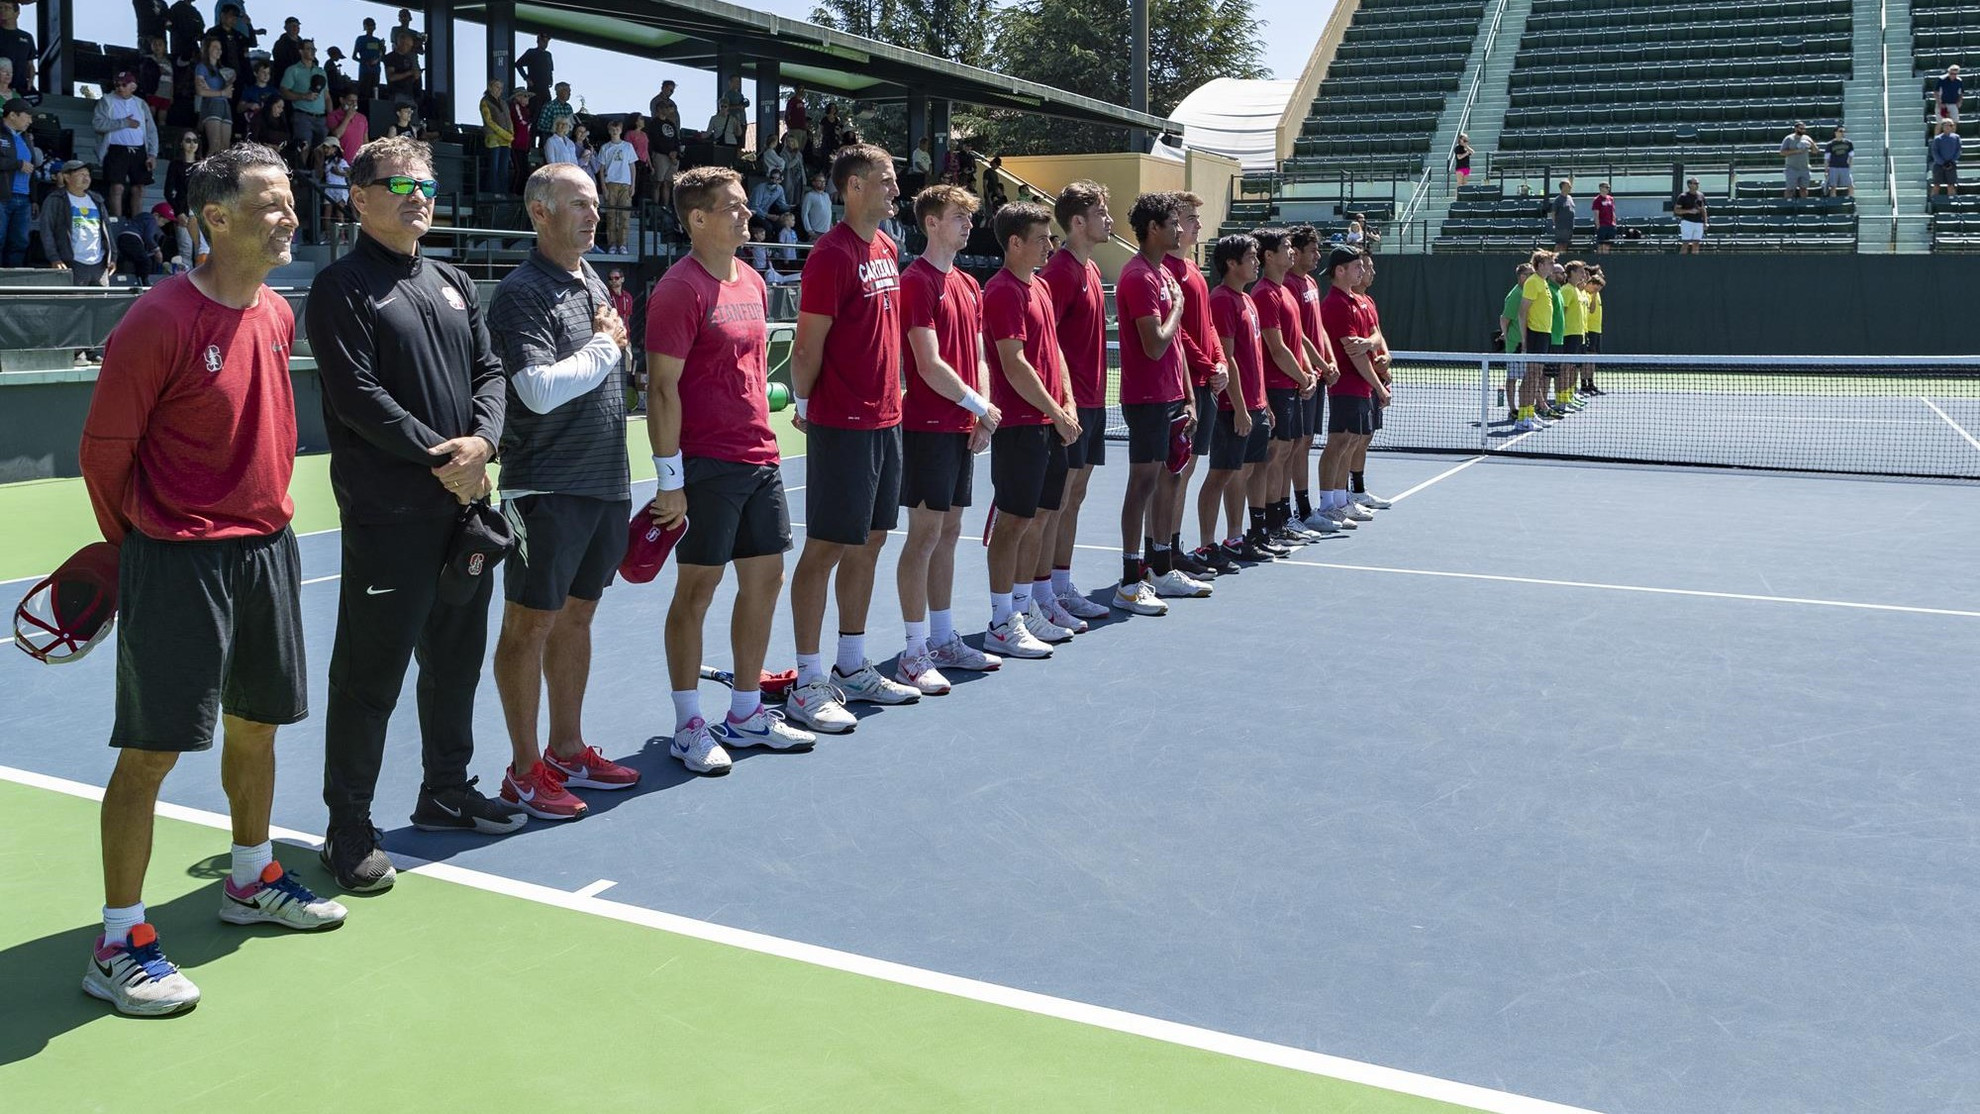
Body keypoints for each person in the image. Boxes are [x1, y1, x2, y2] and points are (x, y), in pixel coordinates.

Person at [78, 143, 346, 1017]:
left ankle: (249, 877)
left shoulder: (275, 313)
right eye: (271, 205)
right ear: (215, 218)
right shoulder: (157, 320)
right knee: (152, 751)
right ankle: (119, 941)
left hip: (267, 546)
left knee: (259, 725)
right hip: (178, 557)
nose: (290, 218)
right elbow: (104, 453)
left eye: (290, 202)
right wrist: (135, 548)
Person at [307, 137, 525, 888]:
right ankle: (349, 827)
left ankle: (445, 790)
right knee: (371, 678)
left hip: (464, 514)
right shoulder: (341, 288)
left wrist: (485, 442)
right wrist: (448, 457)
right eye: (398, 182)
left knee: (456, 661)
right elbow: (358, 398)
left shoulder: (454, 279)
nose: (416, 194)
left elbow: (491, 371)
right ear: (359, 197)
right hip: (390, 516)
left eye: (426, 183)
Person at [639, 165, 816, 773]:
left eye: (745, 205)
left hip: (759, 456)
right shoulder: (677, 290)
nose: (748, 215)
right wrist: (670, 480)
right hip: (705, 464)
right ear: (697, 218)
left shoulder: (754, 283)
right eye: (734, 207)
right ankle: (689, 723)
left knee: (765, 580)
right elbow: (661, 390)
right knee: (697, 590)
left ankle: (744, 712)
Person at [488, 163, 641, 820]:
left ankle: (568, 749)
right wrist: (609, 350)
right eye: (578, 204)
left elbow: (609, 378)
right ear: (539, 212)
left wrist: (615, 350)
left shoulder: (591, 288)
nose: (592, 214)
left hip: (605, 485)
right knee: (530, 625)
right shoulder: (522, 294)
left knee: (577, 618)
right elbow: (536, 391)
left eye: (595, 204)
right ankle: (523, 773)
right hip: (543, 489)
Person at [785, 143, 921, 734]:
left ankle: (851, 664)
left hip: (888, 422)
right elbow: (807, 345)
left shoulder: (888, 249)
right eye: (887, 180)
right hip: (842, 424)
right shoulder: (829, 255)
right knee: (825, 548)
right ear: (856, 187)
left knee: (870, 541)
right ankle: (808, 680)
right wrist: (810, 405)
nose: (897, 188)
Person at [890, 182, 1006, 686]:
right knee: (924, 536)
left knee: (951, 532)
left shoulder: (968, 284)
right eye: (958, 217)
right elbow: (928, 363)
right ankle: (914, 651)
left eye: (968, 217)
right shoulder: (914, 282)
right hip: (927, 429)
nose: (968, 225)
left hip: (962, 426)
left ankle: (942, 638)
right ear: (931, 223)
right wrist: (979, 405)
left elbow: (978, 354)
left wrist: (979, 414)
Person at [980, 200, 1080, 659]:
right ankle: (1002, 620)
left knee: (1039, 518)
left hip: (1049, 421)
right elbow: (1013, 363)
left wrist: (1068, 404)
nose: (1049, 247)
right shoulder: (1001, 291)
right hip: (1019, 426)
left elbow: (1054, 350)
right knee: (1014, 523)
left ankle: (1022, 609)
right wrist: (1056, 413)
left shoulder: (1039, 287)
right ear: (1015, 242)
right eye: (1041, 239)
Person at [1111, 192, 1204, 613]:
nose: (1181, 230)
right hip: (1146, 398)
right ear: (1154, 229)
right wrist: (1178, 310)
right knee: (1143, 485)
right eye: (1173, 224)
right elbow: (1154, 345)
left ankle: (1161, 569)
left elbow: (1177, 348)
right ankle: (1130, 581)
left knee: (1171, 478)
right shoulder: (1138, 277)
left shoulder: (1163, 275)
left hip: (1171, 397)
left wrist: (1187, 395)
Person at [1036, 180, 1119, 622]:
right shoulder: (1059, 273)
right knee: (1056, 500)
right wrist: (1060, 403)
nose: (1110, 219)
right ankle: (1042, 594)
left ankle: (1062, 587)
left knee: (1075, 496)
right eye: (1102, 212)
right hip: (1066, 406)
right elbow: (1042, 345)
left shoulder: (1089, 270)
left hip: (1092, 403)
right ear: (1078, 222)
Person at [1162, 190, 1234, 573]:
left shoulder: (1194, 272)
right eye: (1189, 218)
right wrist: (1209, 365)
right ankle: (1164, 551)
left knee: (1187, 469)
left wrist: (1219, 362)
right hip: (1181, 387)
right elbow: (1176, 335)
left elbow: (1205, 325)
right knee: (1174, 470)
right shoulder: (1164, 271)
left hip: (1204, 384)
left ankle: (1174, 546)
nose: (1197, 225)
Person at [1200, 233, 1277, 564]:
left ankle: (1235, 537)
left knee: (1247, 471)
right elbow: (1227, 358)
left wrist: (1264, 404)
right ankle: (1207, 544)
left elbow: (1254, 358)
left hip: (1256, 404)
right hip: (1233, 408)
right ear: (1231, 263)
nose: (1257, 263)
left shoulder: (1247, 300)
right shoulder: (1221, 300)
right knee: (1221, 474)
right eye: (1251, 257)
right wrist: (1242, 409)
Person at [1248, 228, 1321, 546]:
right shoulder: (1264, 293)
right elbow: (1276, 349)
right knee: (1275, 454)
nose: (1291, 252)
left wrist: (1308, 372)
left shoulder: (1286, 292)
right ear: (1268, 256)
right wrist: (1304, 377)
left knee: (1287, 450)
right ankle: (1269, 524)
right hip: (1276, 386)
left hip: (1293, 384)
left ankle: (1282, 518)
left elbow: (1298, 340)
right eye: (1286, 247)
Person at [1315, 247, 1387, 521]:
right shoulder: (1335, 304)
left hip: (1361, 385)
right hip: (1345, 385)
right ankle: (1327, 503)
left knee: (1351, 441)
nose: (1362, 271)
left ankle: (1342, 500)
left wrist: (1371, 344)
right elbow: (1353, 353)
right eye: (1356, 267)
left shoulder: (1356, 301)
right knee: (1338, 442)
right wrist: (1379, 387)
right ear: (1340, 271)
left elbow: (1373, 337)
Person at [1283, 224, 1340, 535]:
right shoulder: (1288, 285)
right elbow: (1299, 337)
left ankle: (1303, 510)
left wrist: (1328, 362)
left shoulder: (1310, 284)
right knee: (1293, 445)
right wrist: (1316, 366)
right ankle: (1296, 510)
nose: (1318, 255)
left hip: (1315, 375)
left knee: (1304, 443)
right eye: (1313, 250)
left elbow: (1317, 330)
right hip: (1299, 378)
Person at [38, 161, 116, 286]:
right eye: (81, 174)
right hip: (73, 263)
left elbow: (107, 229)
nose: (86, 178)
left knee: (101, 302)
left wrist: (112, 257)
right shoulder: (56, 199)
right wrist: (54, 258)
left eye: (88, 174)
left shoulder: (97, 199)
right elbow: (46, 230)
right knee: (75, 302)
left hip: (100, 264)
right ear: (67, 177)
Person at [94, 73, 160, 220]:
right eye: (117, 84)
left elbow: (151, 130)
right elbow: (98, 124)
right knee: (117, 187)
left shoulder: (141, 103)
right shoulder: (106, 101)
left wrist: (152, 154)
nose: (120, 87)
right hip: (116, 149)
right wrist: (124, 123)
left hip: (139, 150)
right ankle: (117, 221)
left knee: (139, 188)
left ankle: (136, 223)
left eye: (124, 84)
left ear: (133, 87)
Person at [1497, 261, 1536, 422]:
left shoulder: (1527, 292)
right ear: (1522, 277)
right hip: (1516, 345)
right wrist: (1507, 339)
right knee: (1513, 378)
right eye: (1530, 274)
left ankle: (1528, 407)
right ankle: (1513, 408)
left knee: (1530, 376)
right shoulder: (1516, 294)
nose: (1533, 277)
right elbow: (1504, 319)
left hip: (1526, 342)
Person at [281, 39, 329, 155]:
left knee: (321, 152)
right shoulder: (293, 70)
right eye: (309, 49)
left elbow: (327, 96)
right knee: (303, 148)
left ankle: (317, 174)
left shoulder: (321, 72)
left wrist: (330, 116)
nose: (312, 51)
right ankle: (300, 172)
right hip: (302, 116)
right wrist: (303, 96)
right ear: (301, 51)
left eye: (314, 49)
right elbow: (283, 92)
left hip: (321, 118)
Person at [596, 117, 636, 254]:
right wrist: (604, 188)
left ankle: (623, 244)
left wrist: (633, 184)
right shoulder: (605, 148)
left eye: (617, 129)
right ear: (609, 131)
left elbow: (632, 166)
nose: (615, 131)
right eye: (612, 129)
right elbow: (601, 169)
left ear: (621, 130)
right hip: (610, 183)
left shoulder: (627, 146)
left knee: (624, 215)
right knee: (611, 215)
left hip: (625, 183)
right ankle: (612, 244)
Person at [194, 35, 236, 156]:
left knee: (225, 147)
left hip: (224, 105)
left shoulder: (221, 69)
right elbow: (200, 91)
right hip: (212, 104)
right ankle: (205, 173)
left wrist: (229, 83)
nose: (219, 50)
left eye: (220, 48)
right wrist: (222, 92)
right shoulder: (202, 67)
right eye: (215, 47)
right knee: (215, 144)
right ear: (207, 49)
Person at [0, 96, 30, 266]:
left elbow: (31, 166)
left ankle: (13, 280)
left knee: (20, 242)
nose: (30, 120)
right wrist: (17, 164)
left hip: (23, 197)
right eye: (27, 116)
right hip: (2, 196)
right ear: (12, 115)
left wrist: (33, 199)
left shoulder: (24, 137)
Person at [648, 79, 680, 205]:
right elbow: (656, 139)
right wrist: (667, 152)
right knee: (658, 182)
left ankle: (665, 207)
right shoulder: (654, 121)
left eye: (673, 90)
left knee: (668, 183)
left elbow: (675, 135)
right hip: (661, 153)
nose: (671, 92)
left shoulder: (673, 105)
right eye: (670, 89)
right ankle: (656, 208)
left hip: (672, 150)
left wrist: (676, 153)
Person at [479, 79, 512, 195]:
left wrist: (511, 133)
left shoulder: (503, 102)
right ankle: (493, 193)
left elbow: (509, 119)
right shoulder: (485, 102)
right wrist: (504, 133)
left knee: (504, 169)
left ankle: (503, 193)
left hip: (506, 140)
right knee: (494, 167)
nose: (499, 90)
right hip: (493, 138)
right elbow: (489, 121)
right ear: (490, 87)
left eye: (501, 88)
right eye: (497, 87)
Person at [327, 89, 368, 166]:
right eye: (350, 101)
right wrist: (348, 117)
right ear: (342, 100)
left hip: (358, 163)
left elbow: (365, 142)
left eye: (355, 101)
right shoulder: (333, 116)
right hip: (339, 162)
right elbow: (337, 135)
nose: (354, 104)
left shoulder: (362, 118)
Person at [383, 28, 422, 108]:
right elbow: (391, 77)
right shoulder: (391, 57)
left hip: (410, 93)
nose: (409, 48)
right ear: (401, 43)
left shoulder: (408, 58)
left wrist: (415, 75)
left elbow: (413, 76)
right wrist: (410, 72)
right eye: (408, 45)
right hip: (397, 94)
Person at [1581, 271, 1606, 395]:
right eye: (1596, 285)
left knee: (1593, 358)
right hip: (1588, 330)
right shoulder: (1586, 294)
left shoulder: (1596, 294)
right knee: (1587, 358)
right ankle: (1584, 384)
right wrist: (1595, 293)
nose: (1598, 288)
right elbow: (1592, 310)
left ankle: (1590, 383)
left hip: (1596, 330)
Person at [1780, 121, 1816, 199]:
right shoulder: (1789, 139)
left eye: (1804, 129)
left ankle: (1804, 206)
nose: (1803, 130)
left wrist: (1812, 144)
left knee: (1804, 189)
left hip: (1804, 168)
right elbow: (1782, 152)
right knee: (1790, 189)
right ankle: (1787, 205)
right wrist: (1796, 151)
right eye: (1801, 129)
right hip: (1792, 168)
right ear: (1796, 128)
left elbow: (1815, 151)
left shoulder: (1807, 138)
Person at [515, 33, 554, 103]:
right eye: (543, 41)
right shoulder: (531, 52)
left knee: (547, 106)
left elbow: (550, 69)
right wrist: (526, 78)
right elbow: (518, 64)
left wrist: (551, 79)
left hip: (545, 88)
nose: (545, 44)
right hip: (534, 87)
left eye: (547, 42)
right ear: (538, 41)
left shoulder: (548, 55)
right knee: (534, 108)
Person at [352, 17, 384, 103]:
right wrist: (366, 62)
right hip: (365, 71)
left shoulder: (377, 41)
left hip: (376, 71)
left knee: (375, 94)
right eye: (368, 25)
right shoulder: (361, 39)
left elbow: (382, 56)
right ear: (365, 27)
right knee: (363, 94)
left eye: (372, 25)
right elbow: (354, 56)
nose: (371, 27)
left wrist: (383, 49)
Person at [1674, 177, 1707, 255]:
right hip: (1687, 222)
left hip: (1699, 223)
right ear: (1689, 185)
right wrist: (1689, 211)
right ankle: (1681, 263)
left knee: (1696, 244)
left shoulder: (1701, 195)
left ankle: (1694, 263)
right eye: (1695, 183)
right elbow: (1676, 210)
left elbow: (1703, 209)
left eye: (1697, 183)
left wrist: (1705, 222)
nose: (1697, 185)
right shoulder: (1683, 196)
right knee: (1686, 243)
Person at [1932, 118, 1962, 198]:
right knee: (1936, 185)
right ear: (1943, 127)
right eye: (1946, 125)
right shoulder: (1937, 139)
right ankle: (1934, 201)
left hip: (1951, 165)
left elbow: (1958, 150)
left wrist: (1951, 161)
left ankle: (1950, 203)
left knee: (1951, 185)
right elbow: (1935, 152)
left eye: (1950, 125)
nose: (1948, 127)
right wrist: (1943, 162)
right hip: (1939, 165)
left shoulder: (1956, 137)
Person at [717, 74, 749, 147]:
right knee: (732, 144)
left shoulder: (740, 95)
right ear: (730, 83)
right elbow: (724, 107)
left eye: (739, 81)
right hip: (732, 122)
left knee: (740, 144)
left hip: (742, 122)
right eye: (736, 81)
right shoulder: (727, 94)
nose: (738, 83)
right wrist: (738, 106)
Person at [800, 172, 833, 240]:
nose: (822, 183)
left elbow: (829, 212)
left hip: (827, 232)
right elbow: (804, 214)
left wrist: (831, 226)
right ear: (814, 183)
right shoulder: (809, 195)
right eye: (820, 181)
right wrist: (809, 231)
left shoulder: (826, 196)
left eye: (824, 181)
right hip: (815, 232)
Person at [1825, 127, 1854, 198]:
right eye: (1841, 131)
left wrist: (1849, 166)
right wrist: (1826, 169)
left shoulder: (1849, 143)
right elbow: (1827, 158)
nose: (1842, 133)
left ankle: (1851, 200)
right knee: (1833, 186)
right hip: (1833, 167)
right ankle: (1833, 202)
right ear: (1836, 132)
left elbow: (1851, 156)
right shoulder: (1830, 144)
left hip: (1845, 167)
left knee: (1851, 185)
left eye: (1843, 131)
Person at [1549, 177, 1576, 251]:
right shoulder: (1558, 200)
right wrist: (1557, 224)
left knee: (1565, 245)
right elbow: (1553, 213)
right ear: (1563, 187)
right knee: (1560, 245)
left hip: (1569, 227)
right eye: (1568, 185)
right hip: (1561, 228)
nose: (1570, 187)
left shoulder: (1570, 198)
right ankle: (1554, 259)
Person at [1591, 181, 1617, 253]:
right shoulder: (1597, 200)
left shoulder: (1611, 198)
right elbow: (1596, 214)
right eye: (1606, 187)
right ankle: (1600, 260)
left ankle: (1606, 259)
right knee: (1600, 245)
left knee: (1607, 245)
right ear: (1601, 188)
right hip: (1602, 225)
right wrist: (1598, 226)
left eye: (1609, 187)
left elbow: (1613, 211)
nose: (1608, 189)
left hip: (1610, 225)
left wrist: (1614, 222)